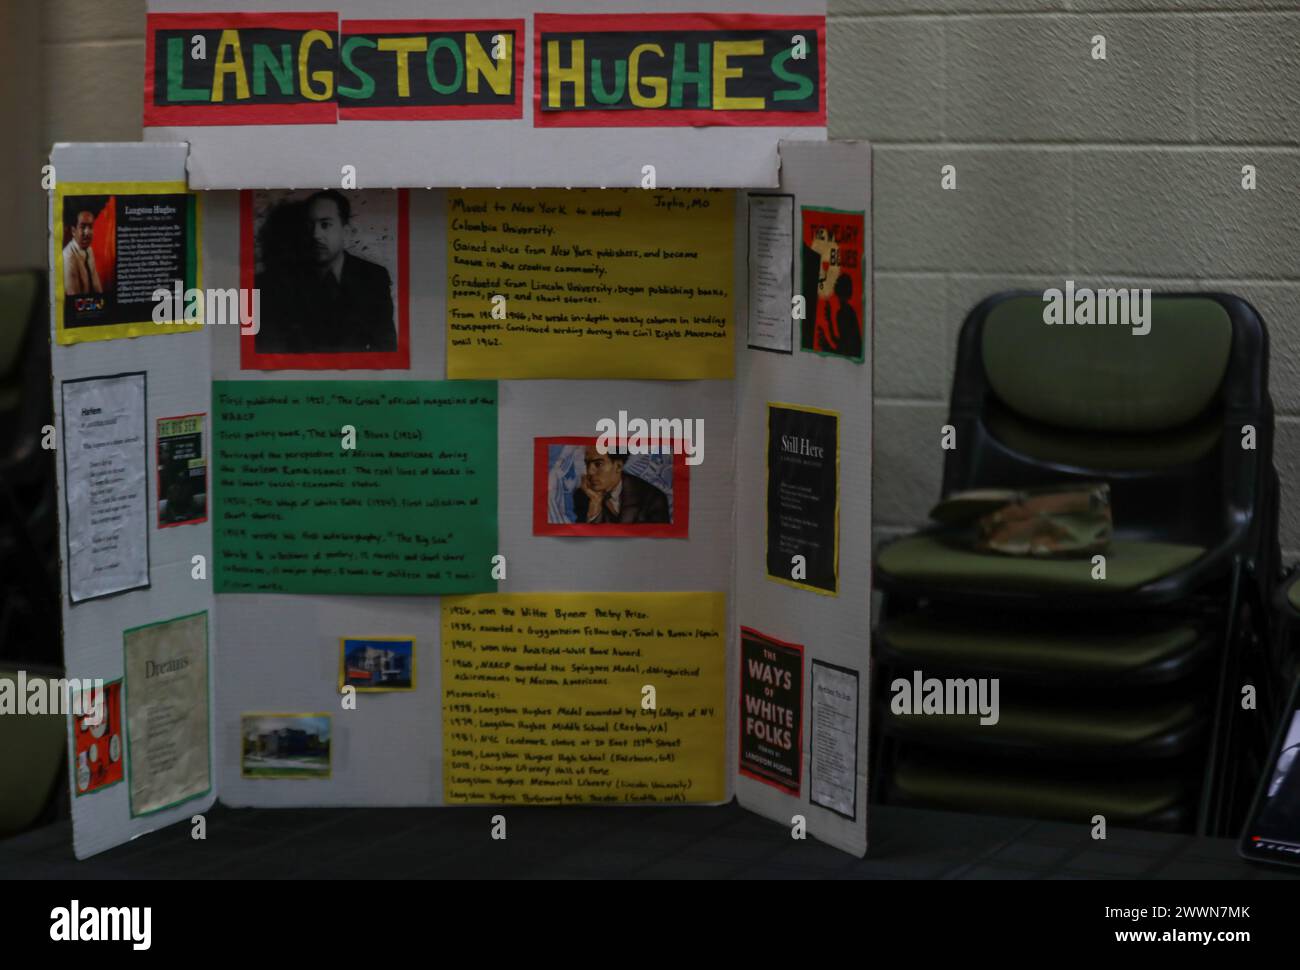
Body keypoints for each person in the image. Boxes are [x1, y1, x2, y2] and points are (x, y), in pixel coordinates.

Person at [254, 190, 396, 354]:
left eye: (325, 225)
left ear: (346, 232)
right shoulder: (276, 284)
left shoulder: (374, 278)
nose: (315, 235)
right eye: (309, 225)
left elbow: (386, 349)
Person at [572, 447, 670, 524]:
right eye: (587, 464)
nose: (589, 472)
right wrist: (595, 506)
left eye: (598, 464)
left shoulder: (652, 498)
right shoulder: (582, 496)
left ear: (618, 466)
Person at [63, 209, 103, 296]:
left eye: (90, 227)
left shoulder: (89, 250)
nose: (87, 232)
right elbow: (75, 298)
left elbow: (97, 285)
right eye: (83, 227)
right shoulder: (68, 257)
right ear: (73, 231)